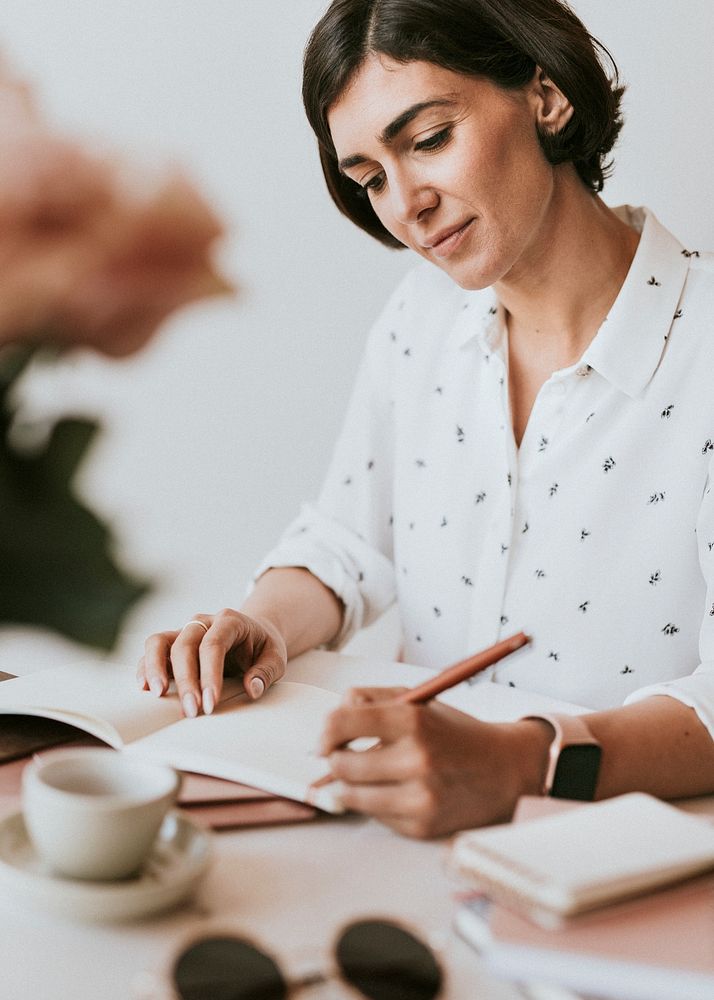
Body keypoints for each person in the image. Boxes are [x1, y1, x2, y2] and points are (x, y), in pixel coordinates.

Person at [139, 0, 714, 838]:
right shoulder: (423, 320)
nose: (406, 204)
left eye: (429, 139)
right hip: (409, 841)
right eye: (370, 176)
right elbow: (347, 543)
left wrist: (523, 761)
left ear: (546, 96)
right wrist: (260, 624)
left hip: (626, 870)